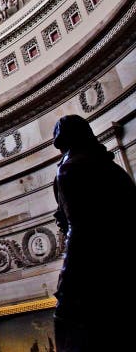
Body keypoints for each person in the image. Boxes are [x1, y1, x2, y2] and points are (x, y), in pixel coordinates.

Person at [51, 114, 136, 351]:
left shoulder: (70, 170)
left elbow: (79, 228)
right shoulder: (114, 170)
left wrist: (66, 280)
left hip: (90, 273)